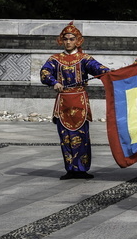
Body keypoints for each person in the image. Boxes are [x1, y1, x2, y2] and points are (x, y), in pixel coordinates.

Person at [40, 22, 111, 180]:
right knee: (65, 136)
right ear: (62, 40)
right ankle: (70, 169)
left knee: (82, 136)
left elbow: (100, 69)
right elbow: (44, 73)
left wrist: (114, 73)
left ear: (77, 40)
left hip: (79, 100)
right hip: (63, 102)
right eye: (66, 39)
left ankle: (82, 169)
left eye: (72, 39)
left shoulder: (84, 59)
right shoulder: (55, 59)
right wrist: (54, 82)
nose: (68, 42)